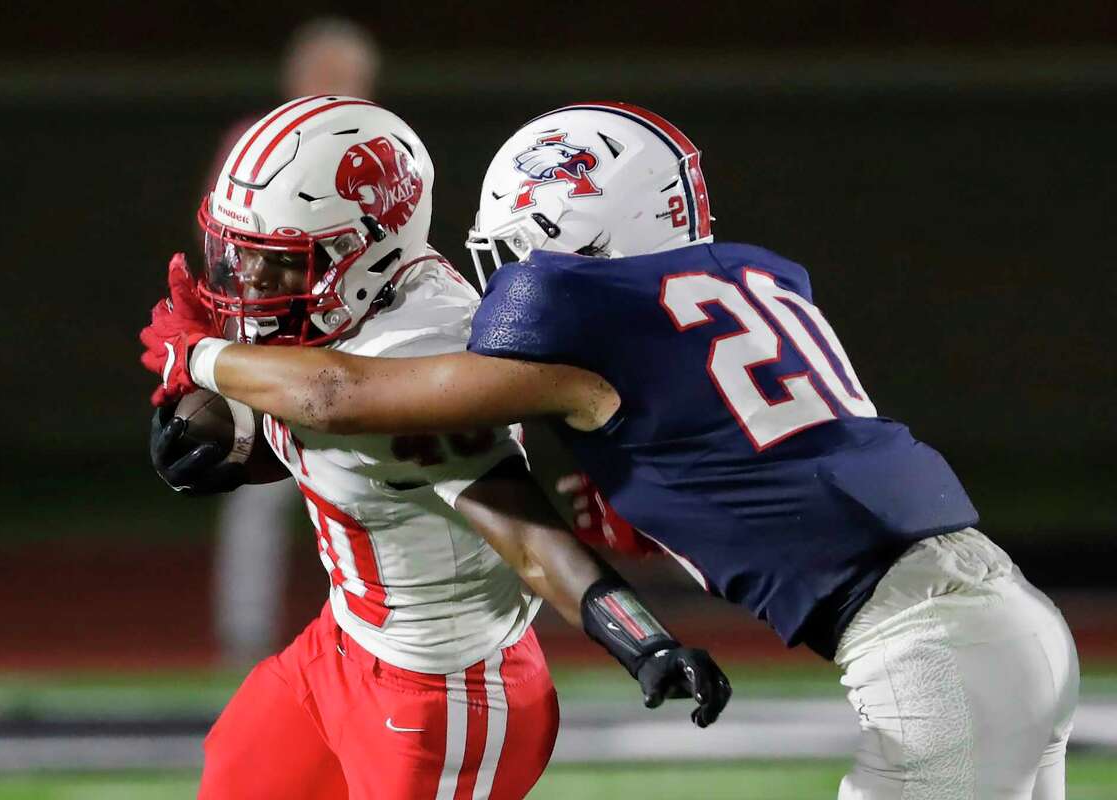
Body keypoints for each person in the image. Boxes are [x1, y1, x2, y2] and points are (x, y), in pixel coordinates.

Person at [144, 101, 1080, 799]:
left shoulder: (577, 318)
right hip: (1004, 612)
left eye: (523, 251)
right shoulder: (758, 281)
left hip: (925, 653)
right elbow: (763, 459)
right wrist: (637, 495)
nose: (509, 282)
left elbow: (347, 399)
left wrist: (202, 355)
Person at [142, 98, 729, 799]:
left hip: (444, 696)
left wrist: (647, 644)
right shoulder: (350, 305)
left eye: (280, 263)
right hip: (342, 647)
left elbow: (526, 537)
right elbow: (335, 445)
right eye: (247, 255)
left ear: (362, 251)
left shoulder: (420, 347)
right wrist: (223, 443)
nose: (253, 283)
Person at [208, 17, 381, 665]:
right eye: (326, 74)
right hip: (278, 347)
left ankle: (383, 634)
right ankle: (244, 639)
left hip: (364, 350)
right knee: (258, 491)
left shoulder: (381, 150)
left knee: (382, 488)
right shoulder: (255, 146)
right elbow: (228, 257)